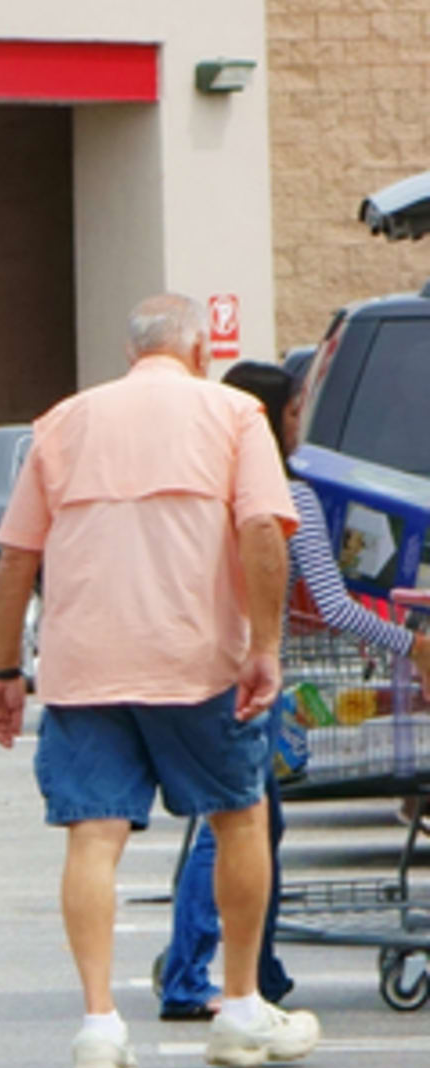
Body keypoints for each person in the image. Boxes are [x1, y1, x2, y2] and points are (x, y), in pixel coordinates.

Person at [0, 293, 315, 1068]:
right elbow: (262, 530)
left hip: (84, 662)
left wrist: (2, 671)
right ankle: (237, 1009)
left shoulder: (63, 422)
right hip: (196, 658)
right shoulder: (235, 415)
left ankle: (98, 1028)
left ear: (133, 354)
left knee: (93, 836)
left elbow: (17, 557)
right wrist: (264, 647)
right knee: (238, 817)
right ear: (200, 350)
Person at [156, 355, 430, 1015]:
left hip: (195, 661)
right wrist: (412, 644)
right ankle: (189, 976)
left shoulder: (197, 490)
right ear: (274, 418)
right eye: (295, 409)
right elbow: (333, 606)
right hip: (254, 669)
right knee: (233, 824)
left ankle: (263, 969)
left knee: (254, 825)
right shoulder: (285, 493)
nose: (301, 421)